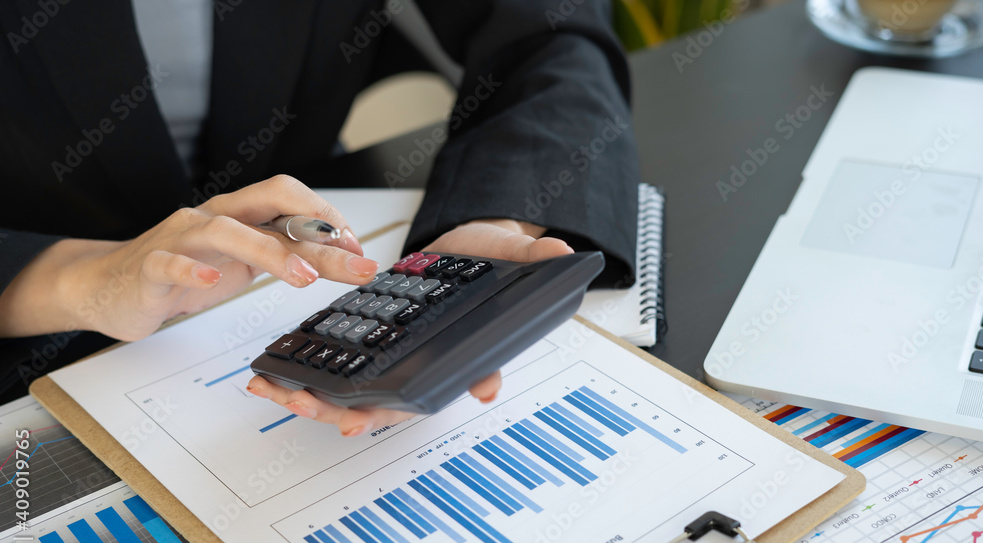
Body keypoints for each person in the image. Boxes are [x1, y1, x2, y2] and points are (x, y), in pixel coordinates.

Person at [0, 0, 638, 435]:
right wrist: (76, 280)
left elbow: (549, 35)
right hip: (38, 332)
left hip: (295, 248)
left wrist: (499, 216)